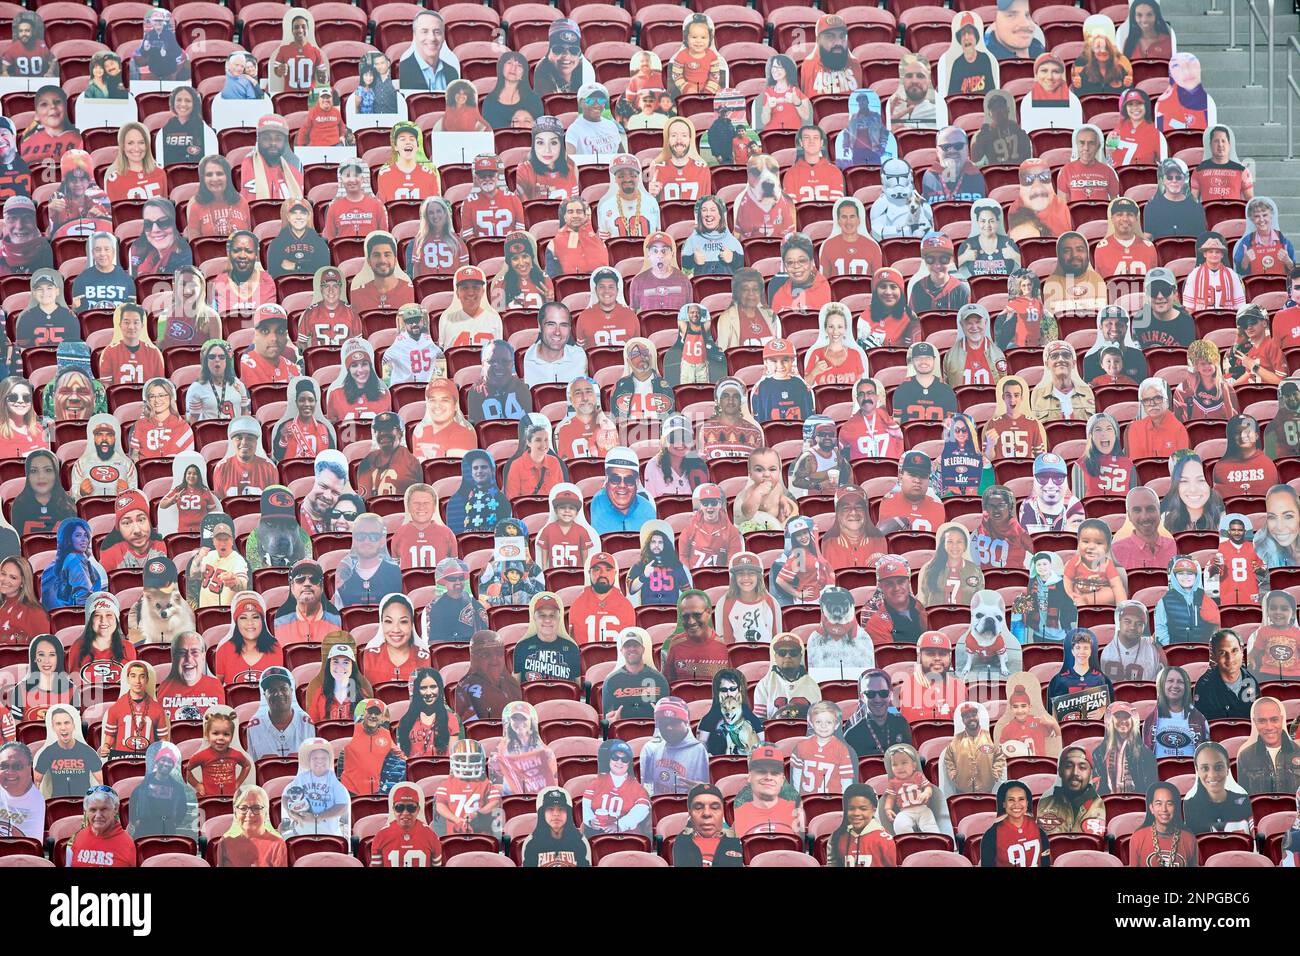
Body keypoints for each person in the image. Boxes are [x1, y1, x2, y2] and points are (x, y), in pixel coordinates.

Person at [1182, 741, 1254, 834]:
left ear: (1227, 768)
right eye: (1205, 768)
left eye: (1219, 767)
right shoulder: (1190, 806)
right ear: (1197, 771)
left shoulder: (1244, 800)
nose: (1212, 775)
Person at [213, 591, 283, 686]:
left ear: (262, 621)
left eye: (255, 617)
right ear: (236, 622)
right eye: (243, 618)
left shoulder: (276, 647)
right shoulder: (224, 649)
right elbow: (218, 688)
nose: (250, 622)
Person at [733, 743, 803, 837]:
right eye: (761, 771)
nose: (768, 777)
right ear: (749, 777)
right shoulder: (739, 815)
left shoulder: (796, 812)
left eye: (774, 773)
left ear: (782, 780)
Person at [245, 667, 315, 761]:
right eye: (272, 690)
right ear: (265, 695)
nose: (278, 693)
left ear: (291, 691)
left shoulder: (306, 723)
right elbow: (253, 765)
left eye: (283, 688)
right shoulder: (254, 726)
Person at [33, 704, 100, 797]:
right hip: (57, 805)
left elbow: (102, 782)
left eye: (67, 723)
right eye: (58, 724)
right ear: (53, 727)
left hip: (84, 804)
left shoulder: (88, 752)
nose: (63, 728)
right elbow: (36, 782)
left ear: (73, 725)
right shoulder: (47, 753)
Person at [361, 594, 429, 686]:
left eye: (403, 622)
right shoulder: (368, 657)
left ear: (412, 624)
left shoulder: (426, 659)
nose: (396, 630)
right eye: (388, 621)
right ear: (382, 624)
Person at [452, 630, 520, 722]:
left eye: (499, 653)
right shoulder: (464, 688)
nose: (494, 659)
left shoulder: (512, 684)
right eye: (486, 655)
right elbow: (471, 728)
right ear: (474, 657)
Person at [1193, 628, 1260, 720]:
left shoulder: (1255, 681)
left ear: (1242, 651)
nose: (1230, 659)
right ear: (1214, 656)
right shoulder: (1204, 686)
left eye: (1234, 650)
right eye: (1222, 653)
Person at [844, 670, 914, 757]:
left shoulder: (901, 724)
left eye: (883, 693)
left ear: (890, 695)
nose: (877, 699)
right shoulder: (851, 735)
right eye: (870, 694)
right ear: (862, 697)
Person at [371, 781, 443, 867]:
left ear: (418, 809)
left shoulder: (431, 836)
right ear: (393, 809)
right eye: (399, 807)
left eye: (411, 808)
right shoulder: (381, 836)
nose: (405, 813)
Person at [980, 780, 1050, 867]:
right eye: (1011, 800)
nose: (1016, 804)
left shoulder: (1040, 830)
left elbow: (1045, 863)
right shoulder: (991, 836)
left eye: (1021, 799)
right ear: (1004, 804)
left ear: (1027, 803)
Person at [1046, 628, 1111, 721]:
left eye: (1085, 648)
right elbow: (1055, 712)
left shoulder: (1099, 678)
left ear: (1090, 651)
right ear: (1072, 651)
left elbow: (1105, 706)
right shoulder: (1061, 679)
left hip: (1091, 729)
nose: (1082, 652)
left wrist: (1102, 711)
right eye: (1078, 648)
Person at [942, 702, 1006, 796]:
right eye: (967, 716)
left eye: (974, 715)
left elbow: (999, 756)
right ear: (963, 720)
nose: (971, 718)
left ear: (978, 716)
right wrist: (952, 772)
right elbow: (948, 758)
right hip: (962, 792)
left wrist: (996, 771)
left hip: (987, 790)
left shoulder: (990, 738)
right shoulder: (956, 741)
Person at [396, 668, 460, 759]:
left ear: (440, 689)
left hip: (442, 771)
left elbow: (453, 757)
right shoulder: (406, 720)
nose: (428, 693)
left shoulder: (451, 719)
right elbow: (403, 754)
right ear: (417, 691)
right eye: (423, 688)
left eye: (433, 687)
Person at [218, 784, 288, 866]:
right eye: (243, 808)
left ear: (266, 812)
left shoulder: (277, 844)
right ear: (236, 812)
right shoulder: (225, 842)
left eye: (256, 808)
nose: (249, 814)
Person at [521, 787, 591, 867]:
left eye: (561, 809)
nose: (556, 814)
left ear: (568, 813)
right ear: (542, 814)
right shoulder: (531, 844)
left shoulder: (580, 842)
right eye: (550, 809)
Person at [68, 786, 136, 868]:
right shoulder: (77, 837)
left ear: (115, 809)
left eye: (104, 809)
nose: (98, 815)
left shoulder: (128, 844)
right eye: (93, 810)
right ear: (86, 811)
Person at [890, 343, 956, 425]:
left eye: (928, 358)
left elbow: (951, 426)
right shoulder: (902, 390)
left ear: (934, 360)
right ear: (913, 361)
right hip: (910, 437)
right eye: (918, 358)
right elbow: (897, 424)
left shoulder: (947, 391)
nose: (923, 362)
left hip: (939, 437)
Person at [1145, 158, 1207, 239]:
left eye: (1178, 177)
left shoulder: (1196, 207)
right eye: (1169, 177)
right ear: (1163, 180)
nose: (1174, 181)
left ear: (1184, 179)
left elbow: (1200, 237)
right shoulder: (1152, 207)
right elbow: (1147, 237)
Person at [399, 10, 458, 91]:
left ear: (444, 37)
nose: (432, 38)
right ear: (414, 35)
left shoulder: (452, 72)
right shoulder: (402, 70)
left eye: (437, 32)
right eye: (424, 32)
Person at [1155, 53, 1214, 133]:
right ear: (1171, 74)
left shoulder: (1212, 102)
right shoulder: (1162, 105)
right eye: (1176, 65)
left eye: (1191, 62)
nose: (1186, 70)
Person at [757, 54, 812, 132]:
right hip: (772, 135)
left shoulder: (797, 90)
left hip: (793, 135)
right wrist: (767, 107)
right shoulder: (768, 92)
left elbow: (806, 116)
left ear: (787, 70)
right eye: (774, 67)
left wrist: (797, 102)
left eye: (779, 67)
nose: (775, 70)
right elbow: (764, 121)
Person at [889, 53, 940, 129]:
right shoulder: (890, 112)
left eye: (920, 76)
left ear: (929, 82)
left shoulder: (939, 113)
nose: (914, 81)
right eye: (909, 76)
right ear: (903, 81)